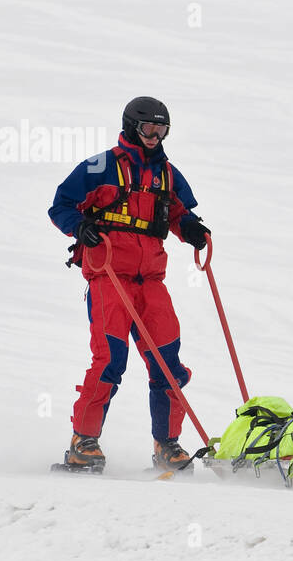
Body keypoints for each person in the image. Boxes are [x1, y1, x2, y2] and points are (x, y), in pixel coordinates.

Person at [48, 96, 210, 473]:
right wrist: (80, 226)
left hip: (150, 279)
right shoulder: (101, 166)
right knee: (110, 360)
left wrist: (191, 230)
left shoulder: (167, 174)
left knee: (167, 362)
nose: (154, 136)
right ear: (132, 126)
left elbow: (180, 214)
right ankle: (82, 442)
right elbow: (61, 205)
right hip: (108, 276)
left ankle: (166, 444)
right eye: (148, 129)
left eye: (162, 130)